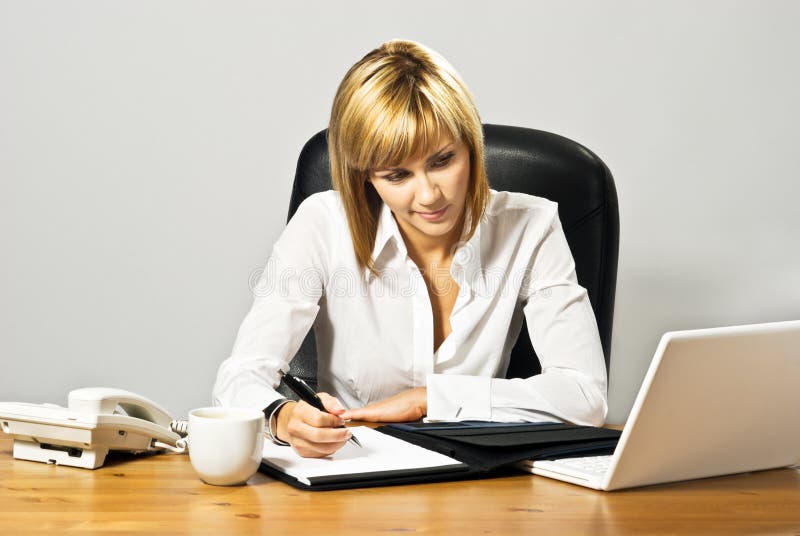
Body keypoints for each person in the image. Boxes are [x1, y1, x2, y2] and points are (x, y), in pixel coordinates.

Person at [212, 39, 608, 458]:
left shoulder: (531, 226)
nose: (429, 195)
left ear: (470, 144)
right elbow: (237, 378)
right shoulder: (324, 223)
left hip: (478, 481)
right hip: (354, 469)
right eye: (398, 175)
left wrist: (429, 399)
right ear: (366, 177)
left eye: (442, 160)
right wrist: (282, 416)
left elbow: (585, 396)